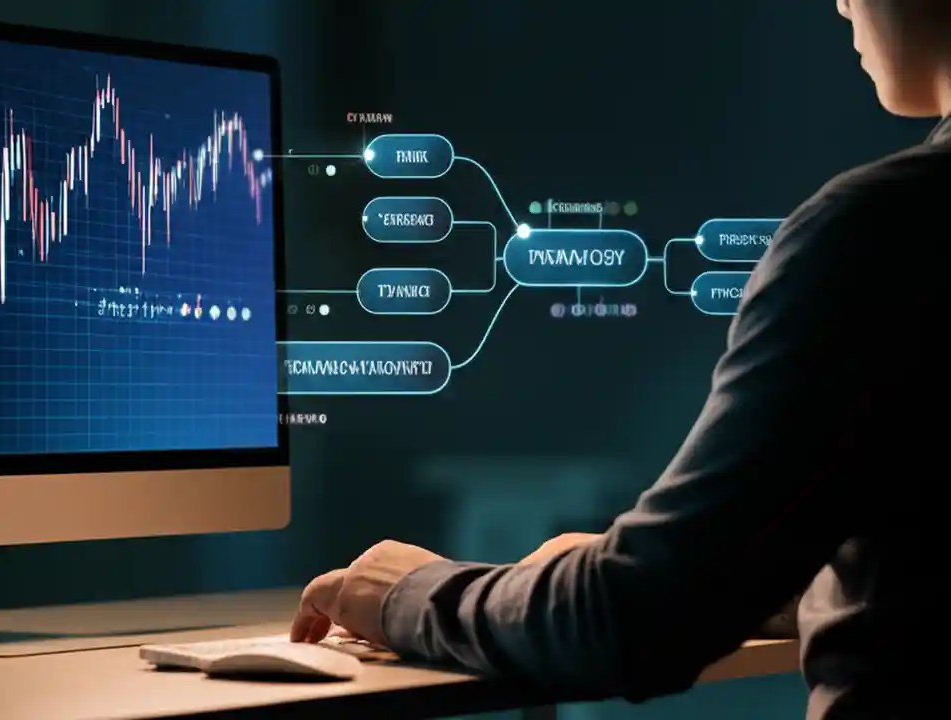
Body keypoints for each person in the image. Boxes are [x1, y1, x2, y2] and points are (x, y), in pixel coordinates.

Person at [291, 1, 949, 717]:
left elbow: (638, 621)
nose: (843, 2)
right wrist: (711, 568)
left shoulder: (882, 230)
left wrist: (405, 593)